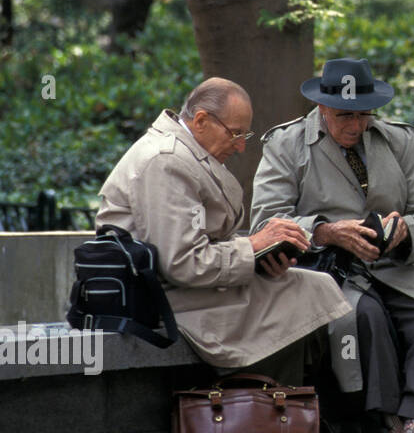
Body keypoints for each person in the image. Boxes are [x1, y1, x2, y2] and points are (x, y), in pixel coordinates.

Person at [251, 58, 414, 433]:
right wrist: (324, 232)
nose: (356, 126)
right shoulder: (286, 144)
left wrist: (403, 230)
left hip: (394, 269)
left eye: (363, 115)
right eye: (345, 116)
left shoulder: (400, 141)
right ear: (322, 108)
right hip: (327, 273)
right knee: (366, 318)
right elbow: (266, 222)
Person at [95, 78, 352, 386]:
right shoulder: (166, 161)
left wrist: (261, 254)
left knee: (310, 285)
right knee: (307, 294)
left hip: (188, 288)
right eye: (236, 133)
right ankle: (274, 406)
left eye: (246, 134)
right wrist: (252, 246)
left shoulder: (189, 152)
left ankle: (299, 409)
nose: (242, 145)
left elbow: (202, 242)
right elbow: (183, 263)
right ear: (201, 120)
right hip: (166, 296)